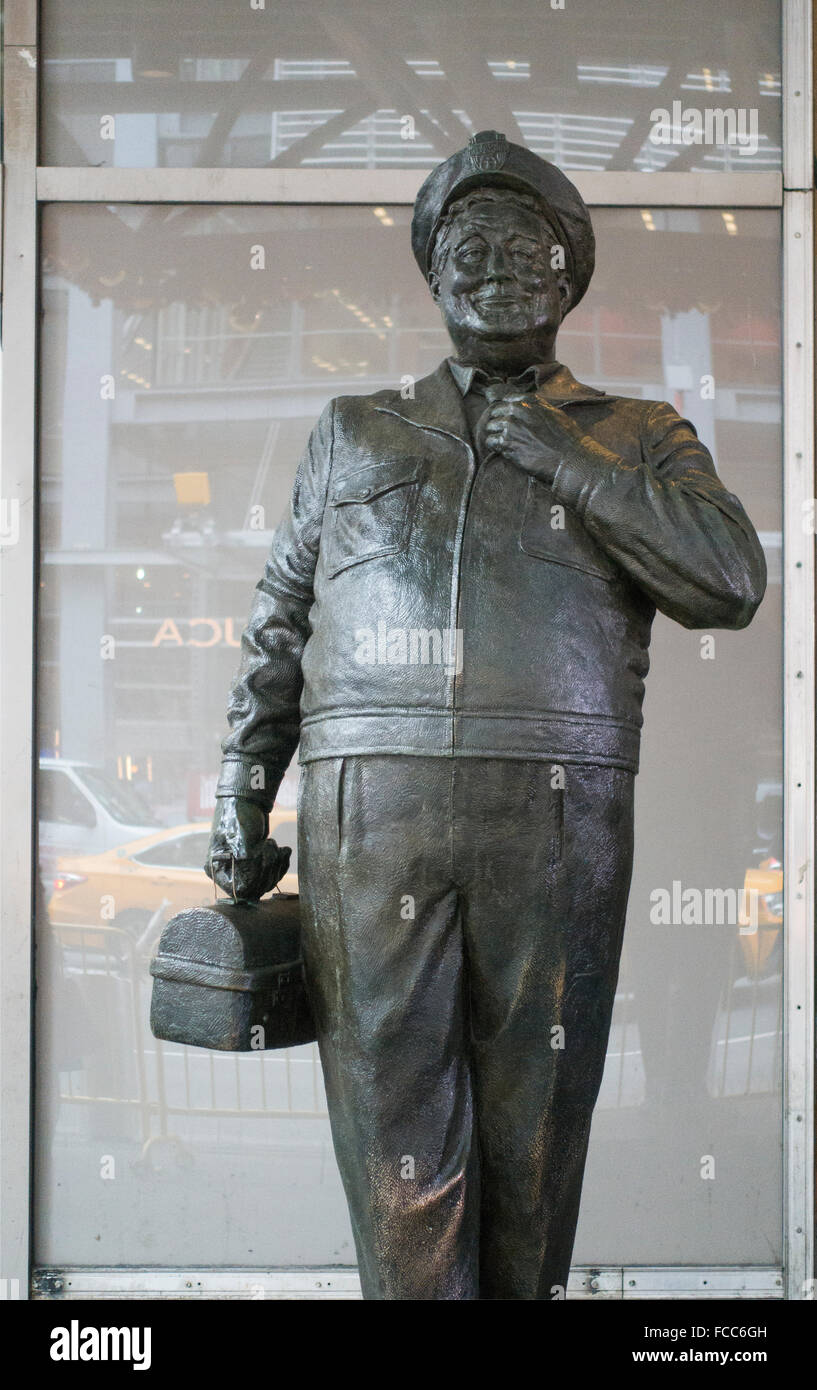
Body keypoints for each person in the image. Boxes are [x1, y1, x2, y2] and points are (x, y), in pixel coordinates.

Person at [205, 131, 767, 1300]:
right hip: (372, 811)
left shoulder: (635, 431)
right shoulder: (354, 428)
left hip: (555, 811)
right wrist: (241, 786)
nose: (497, 266)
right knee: (393, 1143)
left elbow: (729, 580)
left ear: (566, 278)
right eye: (469, 245)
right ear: (432, 273)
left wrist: (572, 463)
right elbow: (280, 625)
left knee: (534, 1136)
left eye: (526, 246)